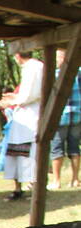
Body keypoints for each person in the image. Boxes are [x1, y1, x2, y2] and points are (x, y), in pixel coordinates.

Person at [0, 51, 43, 201]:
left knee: (30, 154)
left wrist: (12, 101)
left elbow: (30, 95)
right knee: (15, 153)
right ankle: (17, 188)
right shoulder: (30, 68)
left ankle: (35, 189)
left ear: (17, 55)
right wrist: (14, 98)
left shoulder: (34, 67)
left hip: (30, 118)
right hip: (21, 120)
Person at [49, 48, 80, 190]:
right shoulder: (78, 72)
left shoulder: (54, 75)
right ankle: (75, 179)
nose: (55, 61)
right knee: (74, 148)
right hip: (77, 115)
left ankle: (56, 181)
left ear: (63, 58)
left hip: (60, 116)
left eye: (57, 57)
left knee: (56, 149)